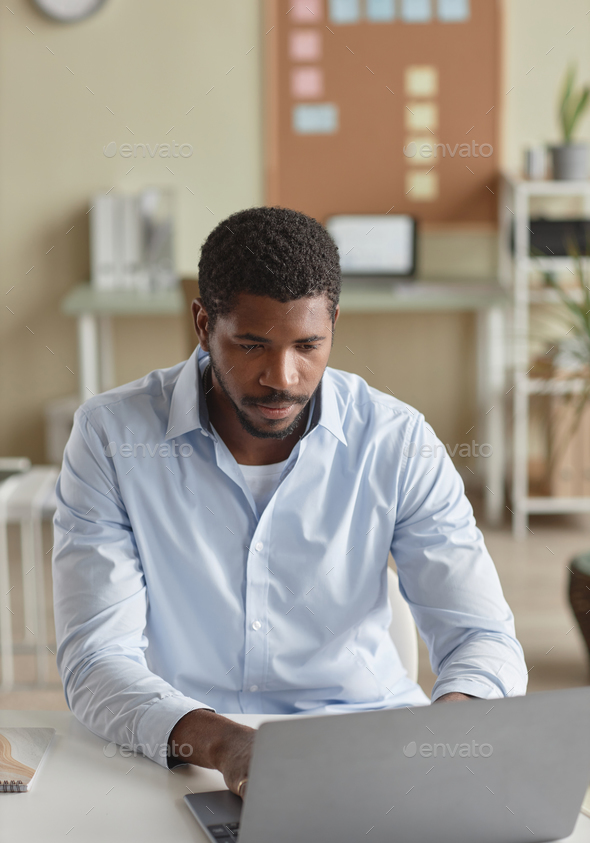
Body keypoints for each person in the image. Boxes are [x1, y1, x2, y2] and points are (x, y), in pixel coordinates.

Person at [53, 207, 527, 800]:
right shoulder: (110, 438)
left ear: (333, 324)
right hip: (187, 757)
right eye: (252, 345)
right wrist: (228, 744)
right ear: (203, 324)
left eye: (308, 345)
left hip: (372, 749)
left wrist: (449, 731)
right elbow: (95, 661)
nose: (283, 377)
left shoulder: (397, 441)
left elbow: (482, 636)